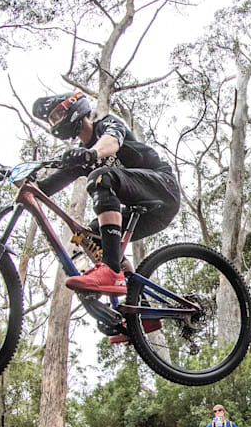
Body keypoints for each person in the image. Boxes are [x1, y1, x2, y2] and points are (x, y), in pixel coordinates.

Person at [30, 91, 181, 296]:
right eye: (51, 120)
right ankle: (137, 305)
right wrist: (14, 177)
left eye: (57, 114)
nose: (55, 121)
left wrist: (91, 153)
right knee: (91, 236)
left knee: (101, 176)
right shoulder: (81, 157)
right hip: (148, 215)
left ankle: (111, 271)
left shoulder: (106, 125)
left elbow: (112, 142)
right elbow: (42, 190)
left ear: (74, 107)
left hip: (163, 190)